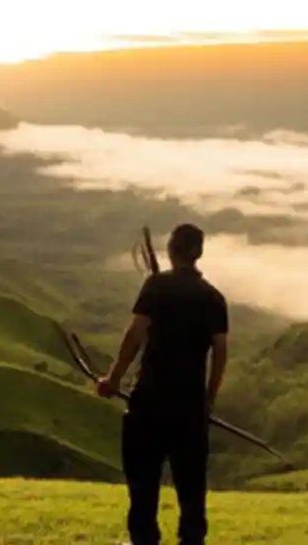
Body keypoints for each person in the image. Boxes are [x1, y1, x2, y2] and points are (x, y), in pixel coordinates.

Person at [96, 223, 229, 545]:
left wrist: (113, 378)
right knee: (191, 483)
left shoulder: (155, 286)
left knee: (142, 481)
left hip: (150, 400)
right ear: (198, 253)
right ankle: (191, 540)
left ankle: (144, 540)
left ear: (171, 250)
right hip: (190, 405)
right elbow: (221, 353)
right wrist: (208, 399)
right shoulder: (213, 298)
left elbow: (135, 334)